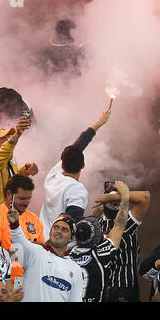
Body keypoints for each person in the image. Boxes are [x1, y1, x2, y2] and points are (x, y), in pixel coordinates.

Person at [40, 99, 112, 232]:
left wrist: (99, 123)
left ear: (62, 164)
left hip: (43, 238)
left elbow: (78, 144)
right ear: (83, 165)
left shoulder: (54, 175)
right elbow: (72, 225)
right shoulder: (76, 190)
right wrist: (94, 217)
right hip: (60, 247)